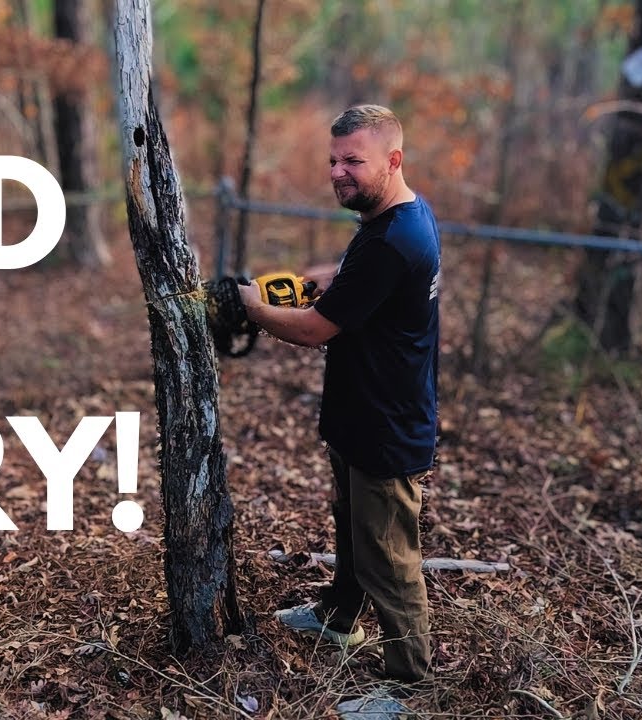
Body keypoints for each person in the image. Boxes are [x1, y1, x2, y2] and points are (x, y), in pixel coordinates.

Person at [237, 104, 440, 686]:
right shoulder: (398, 216)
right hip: (361, 412)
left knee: (390, 560)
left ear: (393, 159)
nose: (338, 171)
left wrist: (252, 308)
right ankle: (338, 617)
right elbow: (343, 276)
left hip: (386, 424)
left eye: (354, 160)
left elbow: (313, 329)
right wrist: (292, 283)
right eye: (333, 160)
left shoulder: (393, 240)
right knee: (353, 528)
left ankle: (410, 684)